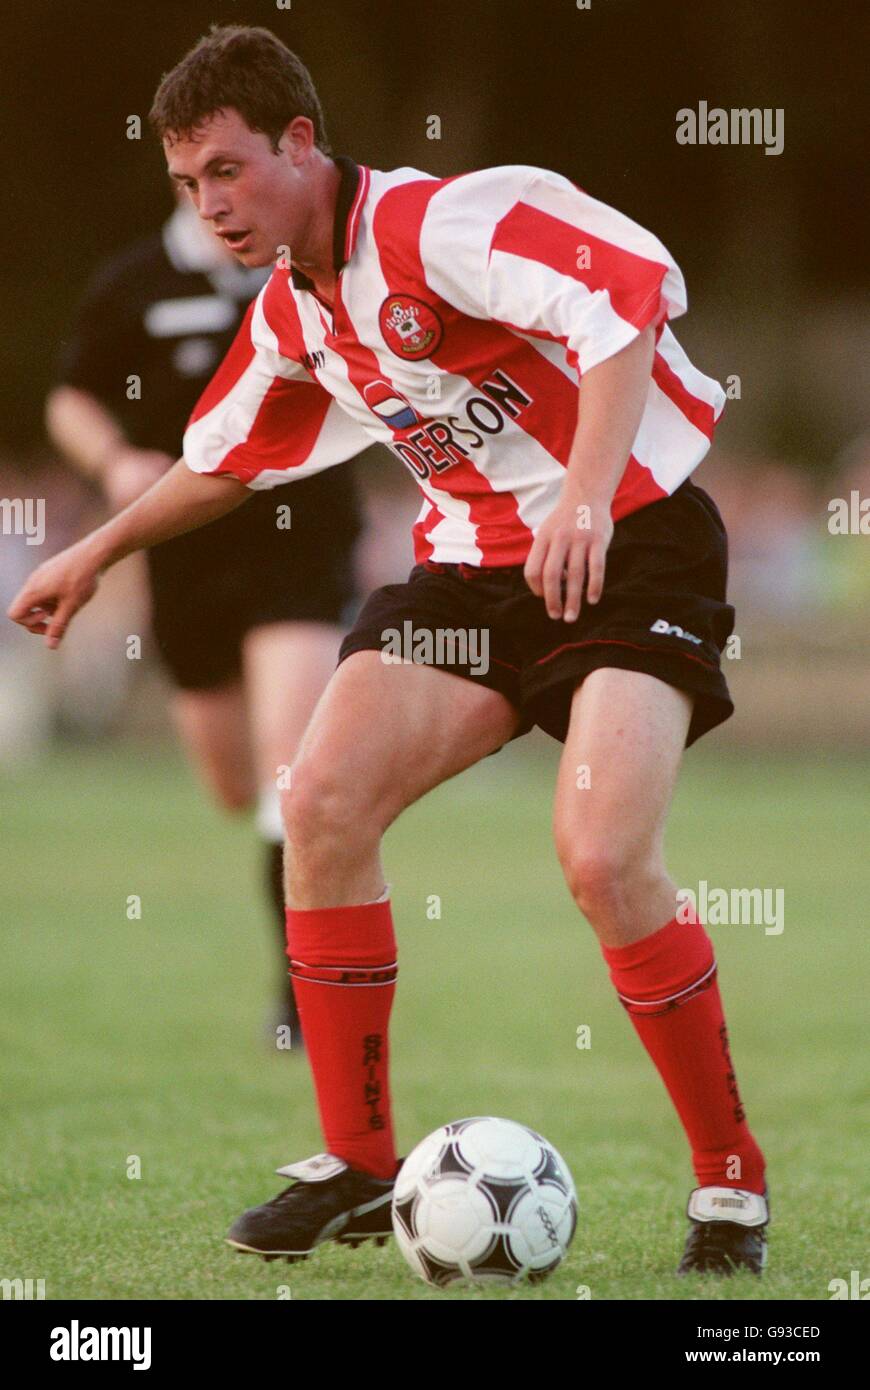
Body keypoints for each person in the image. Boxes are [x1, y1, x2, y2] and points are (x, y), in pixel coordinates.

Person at [9, 24, 769, 1276]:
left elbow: (624, 292)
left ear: (302, 143)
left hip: (633, 543)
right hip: (471, 578)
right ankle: (359, 1163)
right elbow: (220, 461)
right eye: (189, 185)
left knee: (602, 856)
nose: (211, 205)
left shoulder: (444, 223)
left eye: (229, 171)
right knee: (317, 801)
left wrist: (582, 494)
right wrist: (92, 554)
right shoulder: (296, 316)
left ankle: (729, 1186)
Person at [46, 188, 366, 1044]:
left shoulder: (314, 269)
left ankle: (301, 996)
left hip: (299, 544)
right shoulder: (132, 284)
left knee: (288, 770)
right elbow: (69, 398)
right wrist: (114, 461)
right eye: (198, 175)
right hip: (186, 555)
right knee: (234, 786)